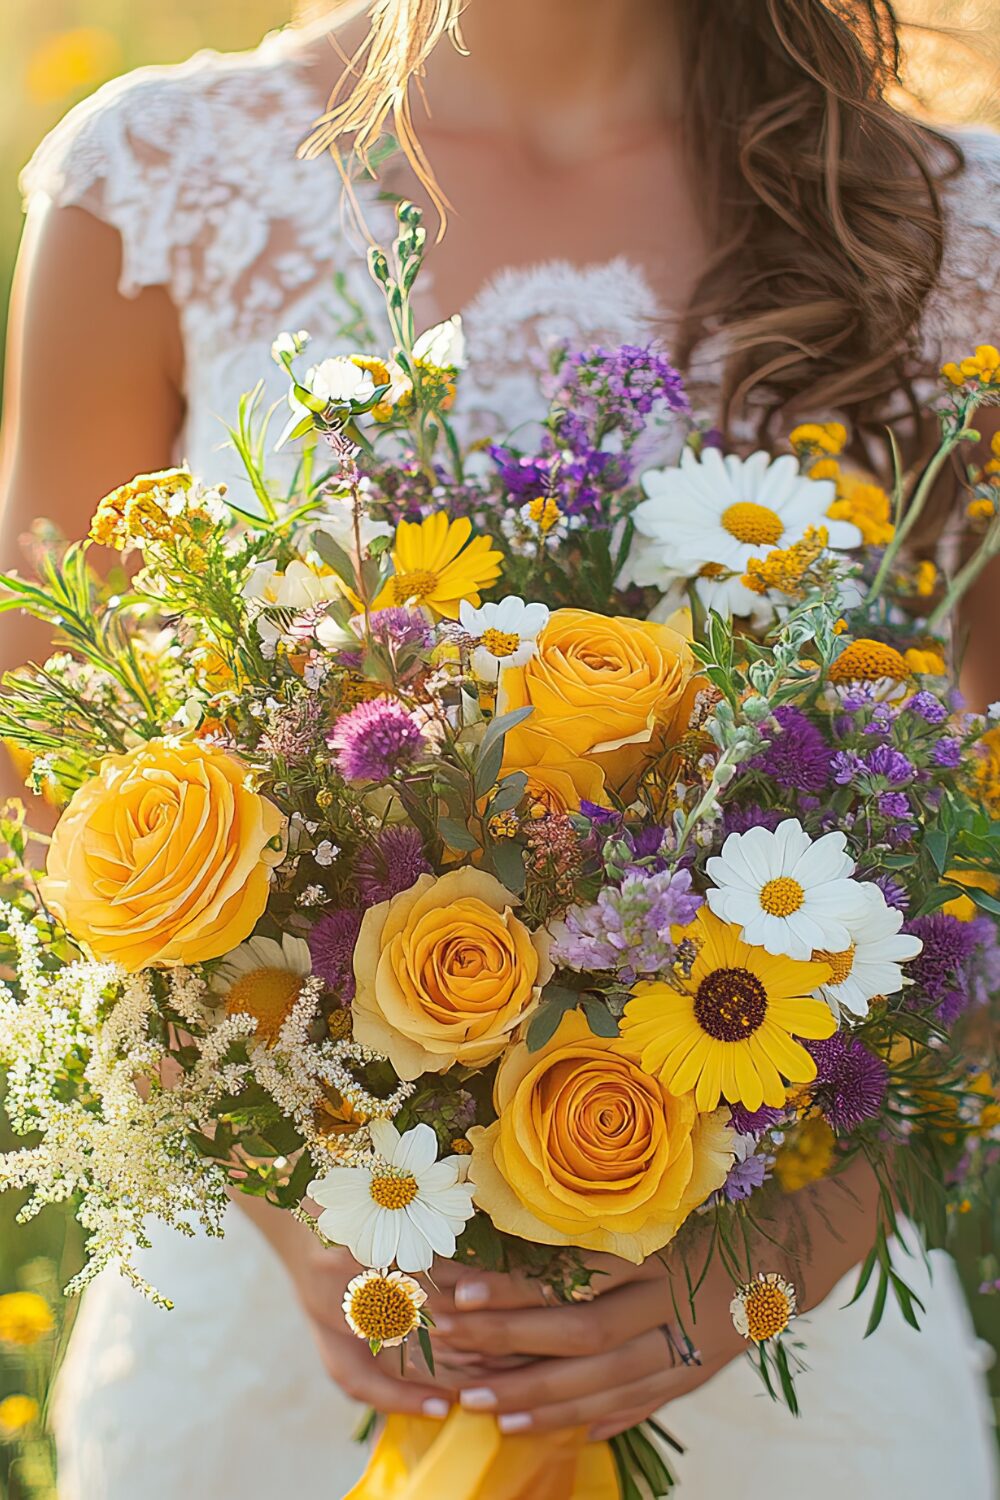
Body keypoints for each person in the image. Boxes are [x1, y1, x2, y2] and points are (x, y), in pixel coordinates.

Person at [1, 2, 998, 1495]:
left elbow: (981, 830)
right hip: (286, 1333)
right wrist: (300, 1201)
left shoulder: (951, 226)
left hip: (779, 1359)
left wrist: (788, 1251)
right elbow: (45, 777)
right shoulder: (152, 179)